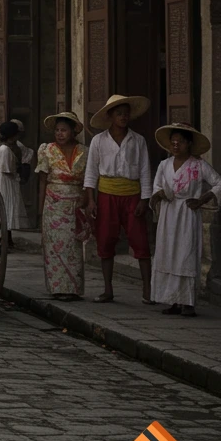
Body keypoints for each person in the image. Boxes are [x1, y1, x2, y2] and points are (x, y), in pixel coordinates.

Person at [82, 94, 153, 304]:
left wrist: (144, 199)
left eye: (126, 114)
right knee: (105, 240)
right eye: (118, 114)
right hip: (106, 195)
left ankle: (148, 289)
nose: (123, 117)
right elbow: (91, 172)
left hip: (132, 195)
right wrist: (91, 199)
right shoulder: (98, 140)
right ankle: (108, 289)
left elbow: (145, 171)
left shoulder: (138, 140)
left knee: (140, 241)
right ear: (110, 116)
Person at [149, 122, 221, 317]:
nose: (175, 145)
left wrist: (202, 199)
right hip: (168, 213)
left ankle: (188, 303)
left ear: (189, 144)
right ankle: (173, 300)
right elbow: (155, 187)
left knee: (186, 254)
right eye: (173, 142)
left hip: (187, 213)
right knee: (168, 253)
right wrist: (160, 195)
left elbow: (218, 182)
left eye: (180, 142)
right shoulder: (164, 165)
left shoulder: (198, 165)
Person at [36, 111, 89, 300]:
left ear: (73, 131)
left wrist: (87, 198)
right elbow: (42, 181)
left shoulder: (84, 151)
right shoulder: (46, 150)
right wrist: (41, 209)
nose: (60, 134)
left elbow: (89, 180)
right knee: (54, 247)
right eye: (57, 130)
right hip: (53, 204)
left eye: (64, 130)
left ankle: (73, 288)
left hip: (75, 203)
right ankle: (58, 288)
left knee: (73, 247)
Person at [0, 121, 26, 238]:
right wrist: (17, 174)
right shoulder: (4, 149)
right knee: (5, 207)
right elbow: (6, 169)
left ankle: (6, 236)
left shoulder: (8, 147)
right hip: (3, 181)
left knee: (8, 207)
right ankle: (1, 236)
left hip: (6, 180)